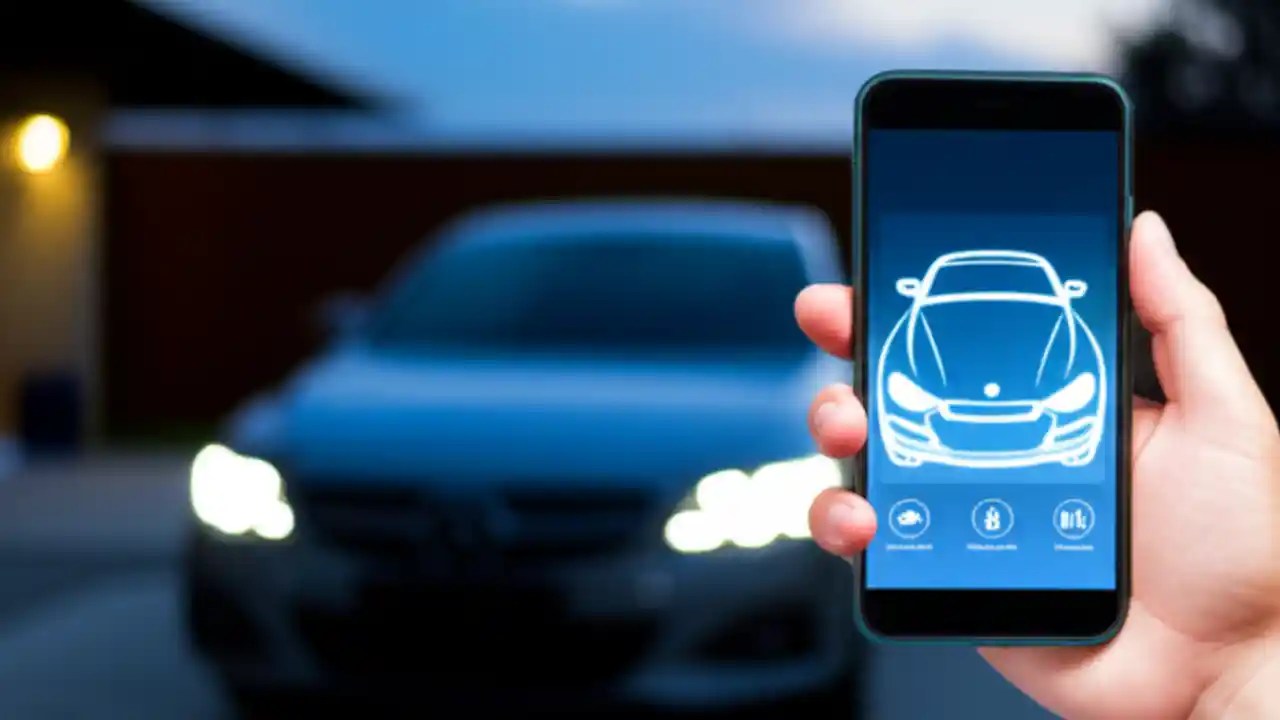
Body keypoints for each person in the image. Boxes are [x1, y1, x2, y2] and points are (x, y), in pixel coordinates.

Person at [795, 212, 1280, 719]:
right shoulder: (918, 324)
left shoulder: (1065, 326)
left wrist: (1240, 663)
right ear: (916, 290)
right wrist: (1234, 675)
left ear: (1067, 291)